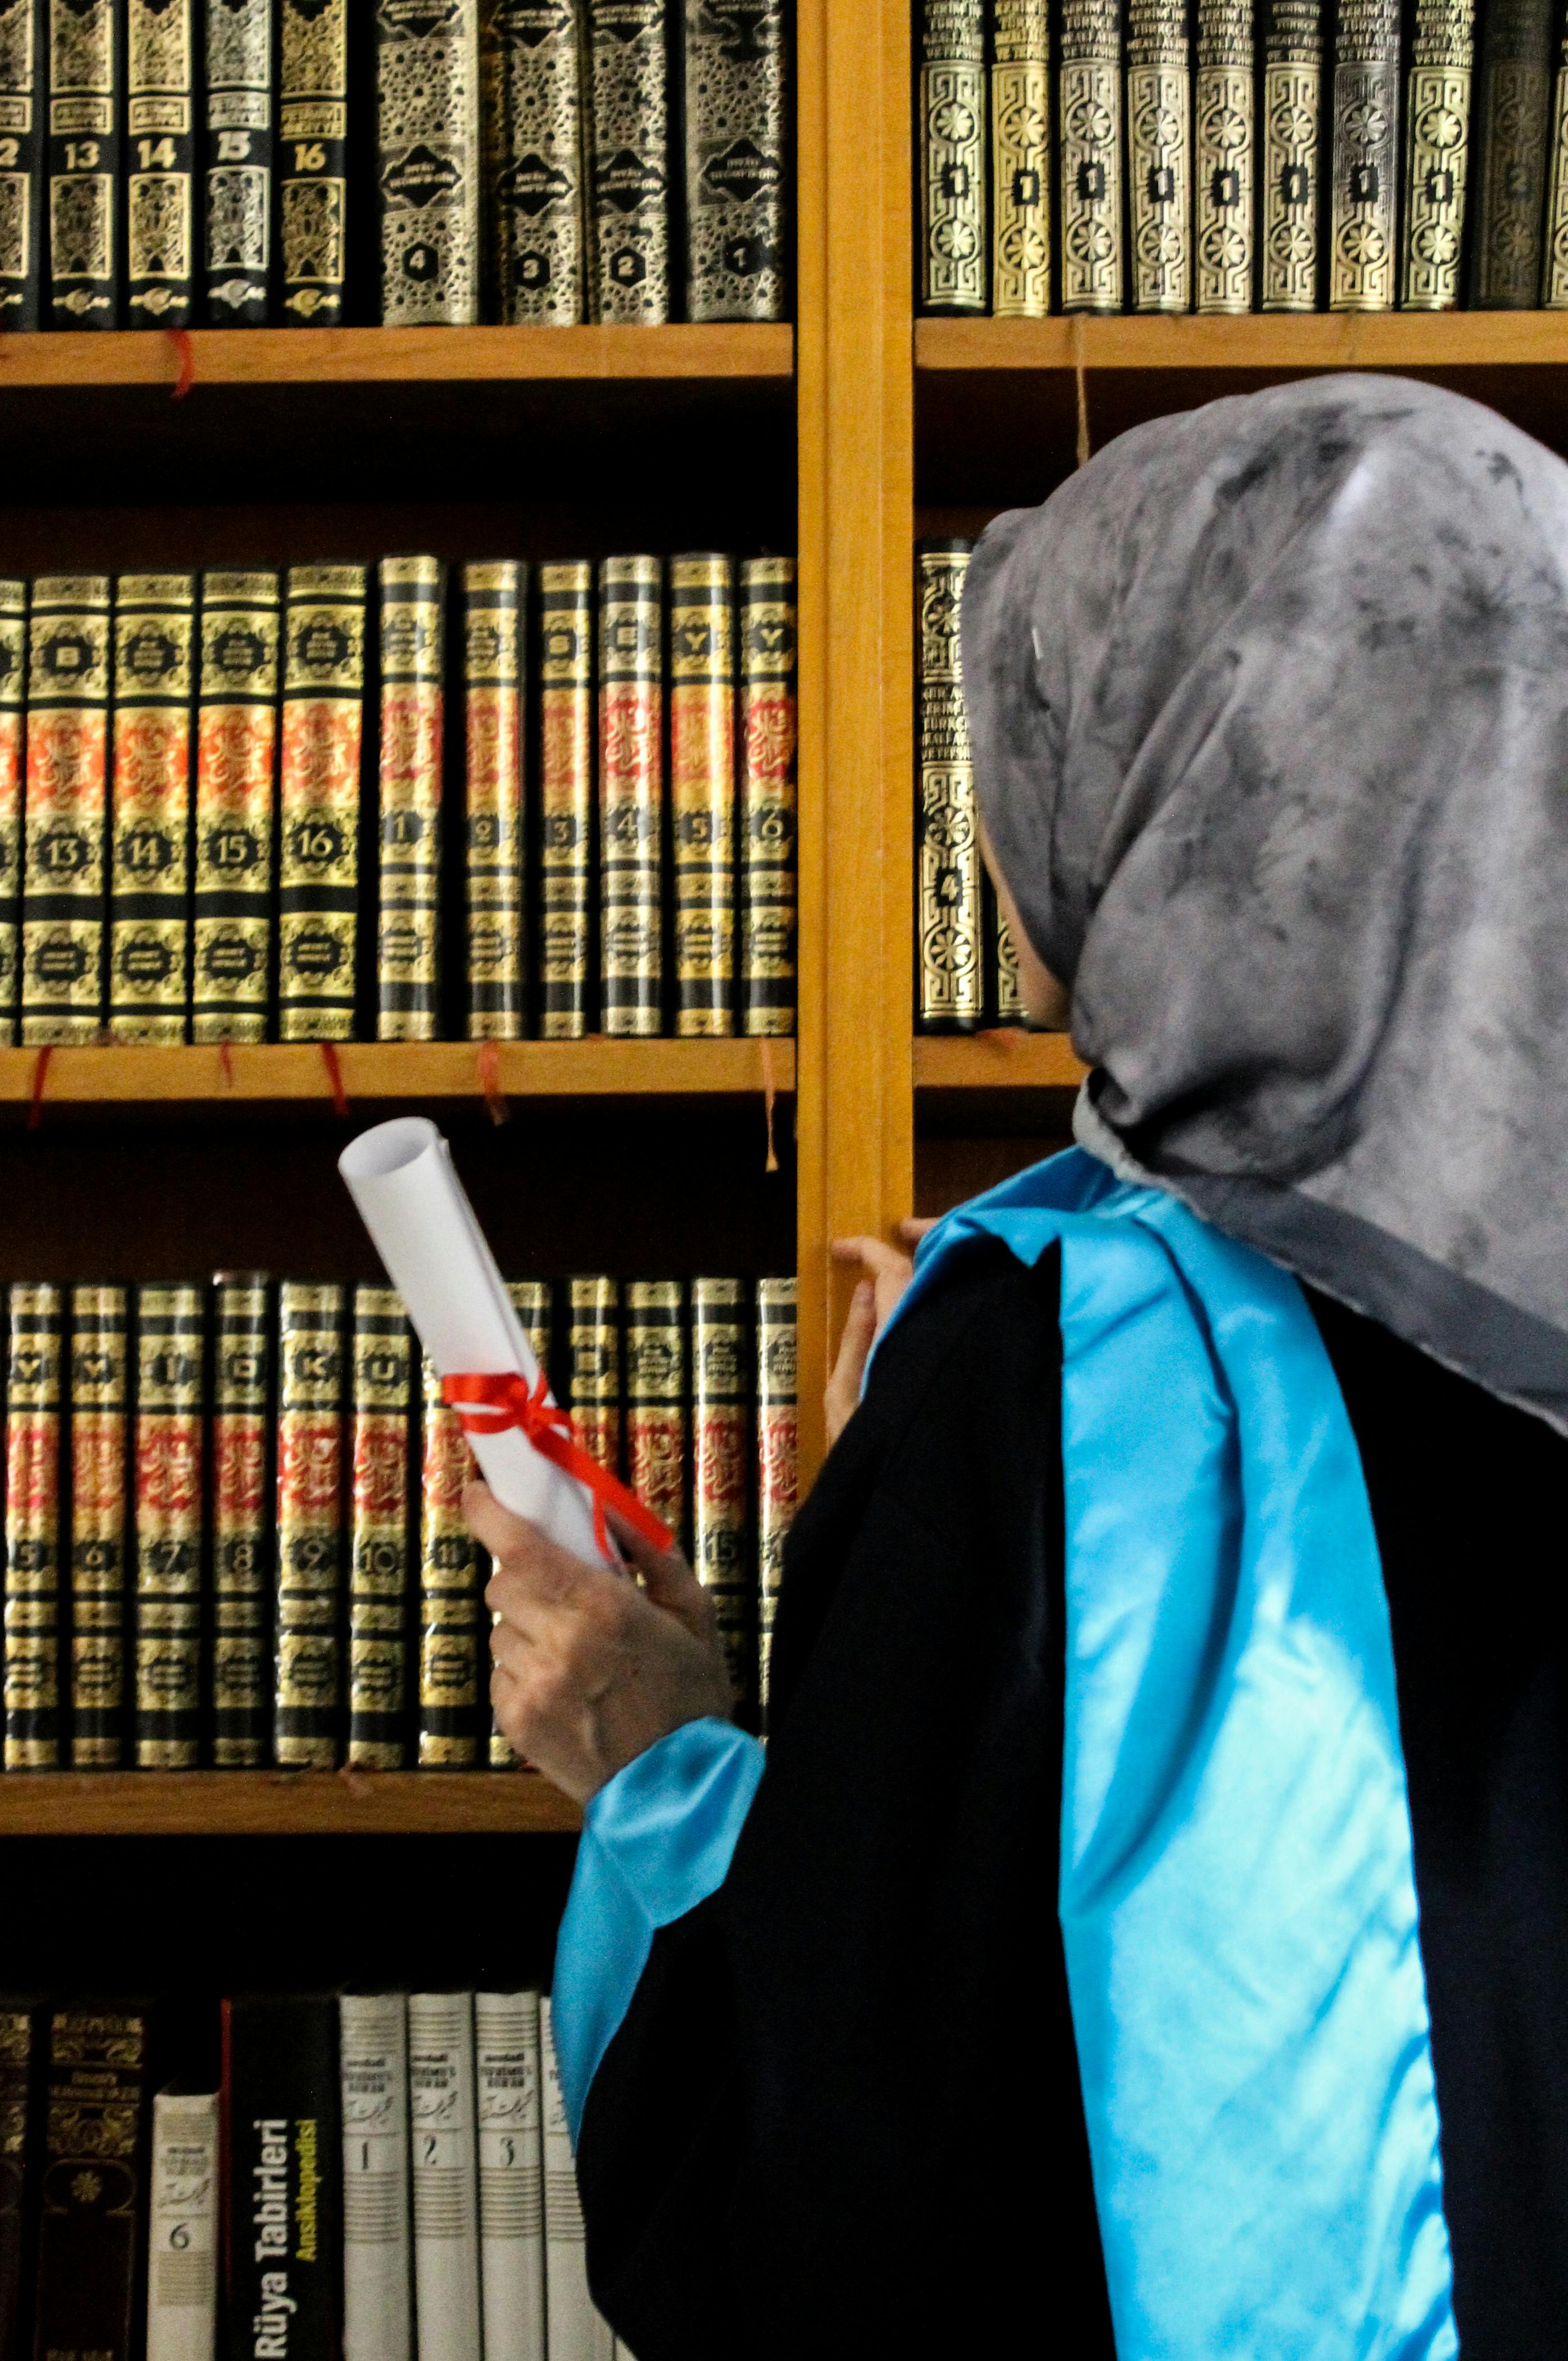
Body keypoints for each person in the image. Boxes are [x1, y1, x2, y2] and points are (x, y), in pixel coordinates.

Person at [465, 373, 1568, 2361]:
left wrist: (661, 1760)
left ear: (1207, 771)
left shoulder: (1076, 1374)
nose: (997, 817)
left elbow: (848, 2214)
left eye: (1045, 723)